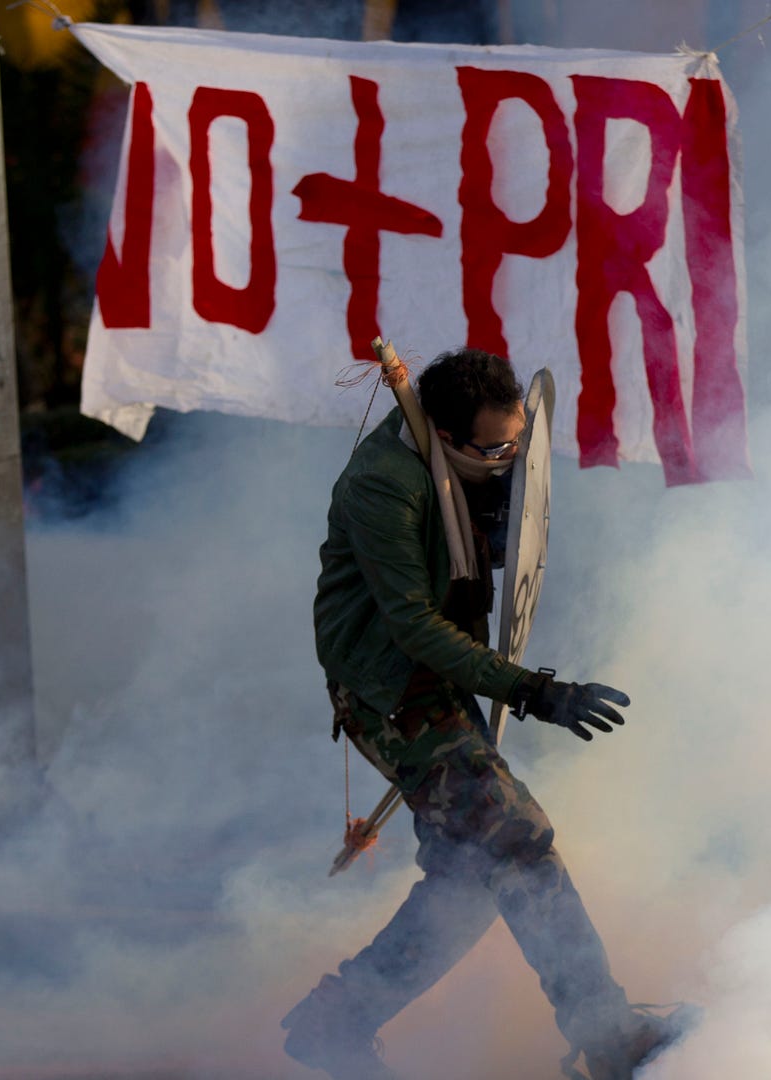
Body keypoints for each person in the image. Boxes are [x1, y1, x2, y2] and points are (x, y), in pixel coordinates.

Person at [283, 348, 685, 1080]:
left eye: (516, 445)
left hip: (436, 670)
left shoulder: (458, 466)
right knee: (515, 838)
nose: (507, 461)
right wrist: (532, 690)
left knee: (469, 883)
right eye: (494, 450)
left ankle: (333, 1023)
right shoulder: (384, 484)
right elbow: (410, 623)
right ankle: (609, 1034)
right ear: (440, 434)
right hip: (389, 685)